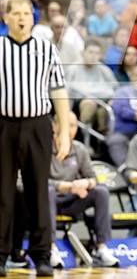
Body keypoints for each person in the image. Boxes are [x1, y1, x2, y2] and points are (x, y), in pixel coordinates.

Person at [0, 0, 71, 277]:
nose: (21, 18)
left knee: (39, 192)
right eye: (15, 13)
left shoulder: (47, 48)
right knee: (2, 193)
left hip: (38, 125)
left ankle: (42, 255)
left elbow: (59, 92)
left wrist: (64, 132)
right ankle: (1, 255)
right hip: (4, 126)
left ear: (33, 17)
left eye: (26, 13)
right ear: (5, 18)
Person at [49, 112, 119, 268]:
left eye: (73, 125)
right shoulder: (44, 148)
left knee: (101, 191)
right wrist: (67, 186)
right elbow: (37, 181)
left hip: (71, 202)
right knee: (48, 191)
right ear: (54, 126)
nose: (69, 129)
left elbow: (93, 178)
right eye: (65, 124)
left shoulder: (79, 149)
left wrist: (85, 183)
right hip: (47, 201)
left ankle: (101, 248)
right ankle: (51, 248)